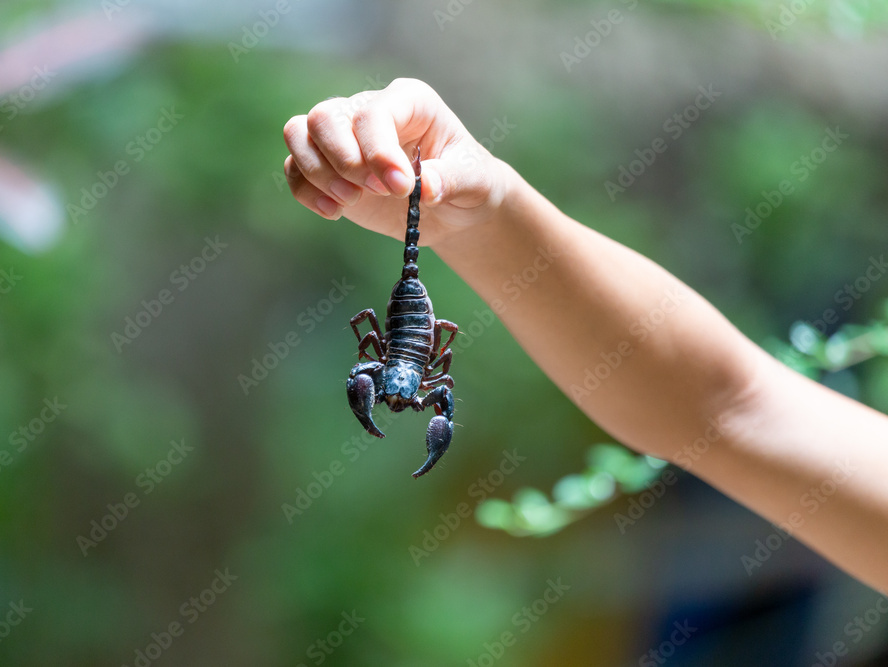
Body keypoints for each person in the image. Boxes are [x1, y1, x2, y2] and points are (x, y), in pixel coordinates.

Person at [281, 78, 888, 593]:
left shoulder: (407, 370)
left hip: (408, 332)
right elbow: (733, 408)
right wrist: (483, 215)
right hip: (417, 297)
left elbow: (732, 412)